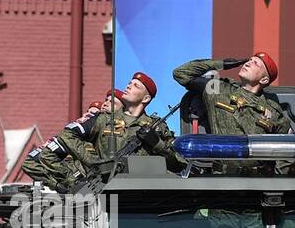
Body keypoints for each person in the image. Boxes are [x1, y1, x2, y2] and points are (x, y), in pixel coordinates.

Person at [55, 72, 185, 172]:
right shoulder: (103, 119)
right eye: (129, 83)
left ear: (145, 98)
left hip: (144, 195)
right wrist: (96, 162)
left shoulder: (157, 127)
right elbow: (67, 134)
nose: (128, 86)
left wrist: (157, 144)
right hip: (107, 191)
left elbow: (178, 164)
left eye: (136, 86)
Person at [21, 91, 119, 191]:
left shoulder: (104, 130)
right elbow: (32, 161)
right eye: (88, 112)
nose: (88, 116)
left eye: (93, 114)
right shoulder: (72, 137)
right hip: (83, 185)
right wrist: (62, 184)